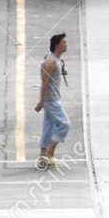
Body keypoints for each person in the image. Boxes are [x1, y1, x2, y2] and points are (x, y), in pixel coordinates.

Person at [34, 32, 70, 169]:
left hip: (54, 98)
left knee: (48, 127)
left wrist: (62, 70)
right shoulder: (51, 62)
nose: (66, 44)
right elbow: (44, 83)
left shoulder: (55, 60)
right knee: (65, 124)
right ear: (57, 45)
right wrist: (41, 102)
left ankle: (43, 155)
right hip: (51, 100)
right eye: (63, 42)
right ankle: (50, 151)